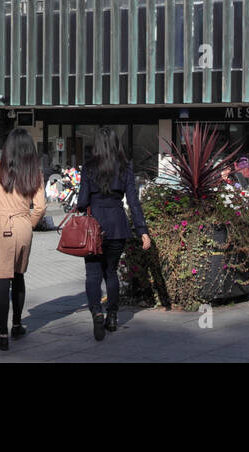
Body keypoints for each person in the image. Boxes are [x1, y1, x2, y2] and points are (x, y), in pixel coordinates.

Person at [77, 127, 150, 341]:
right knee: (111, 272)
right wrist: (142, 231)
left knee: (92, 274)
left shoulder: (89, 168)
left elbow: (82, 201)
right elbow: (134, 202)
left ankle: (97, 313)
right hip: (118, 224)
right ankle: (112, 316)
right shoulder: (125, 167)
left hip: (94, 226)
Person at [0, 129, 47, 350]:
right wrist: (29, 223)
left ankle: (2, 335)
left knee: (2, 280)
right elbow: (41, 207)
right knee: (18, 276)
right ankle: (17, 325)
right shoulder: (34, 171)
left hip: (0, 226)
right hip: (23, 225)